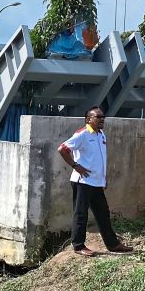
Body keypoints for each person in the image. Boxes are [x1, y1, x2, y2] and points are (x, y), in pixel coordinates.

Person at [57, 107, 133, 257]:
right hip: (83, 182)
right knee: (81, 214)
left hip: (97, 182)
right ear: (88, 119)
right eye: (98, 117)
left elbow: (99, 159)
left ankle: (113, 244)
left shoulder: (101, 135)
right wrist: (75, 166)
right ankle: (78, 245)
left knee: (103, 213)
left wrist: (103, 179)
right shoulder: (82, 134)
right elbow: (62, 149)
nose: (102, 119)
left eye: (103, 116)